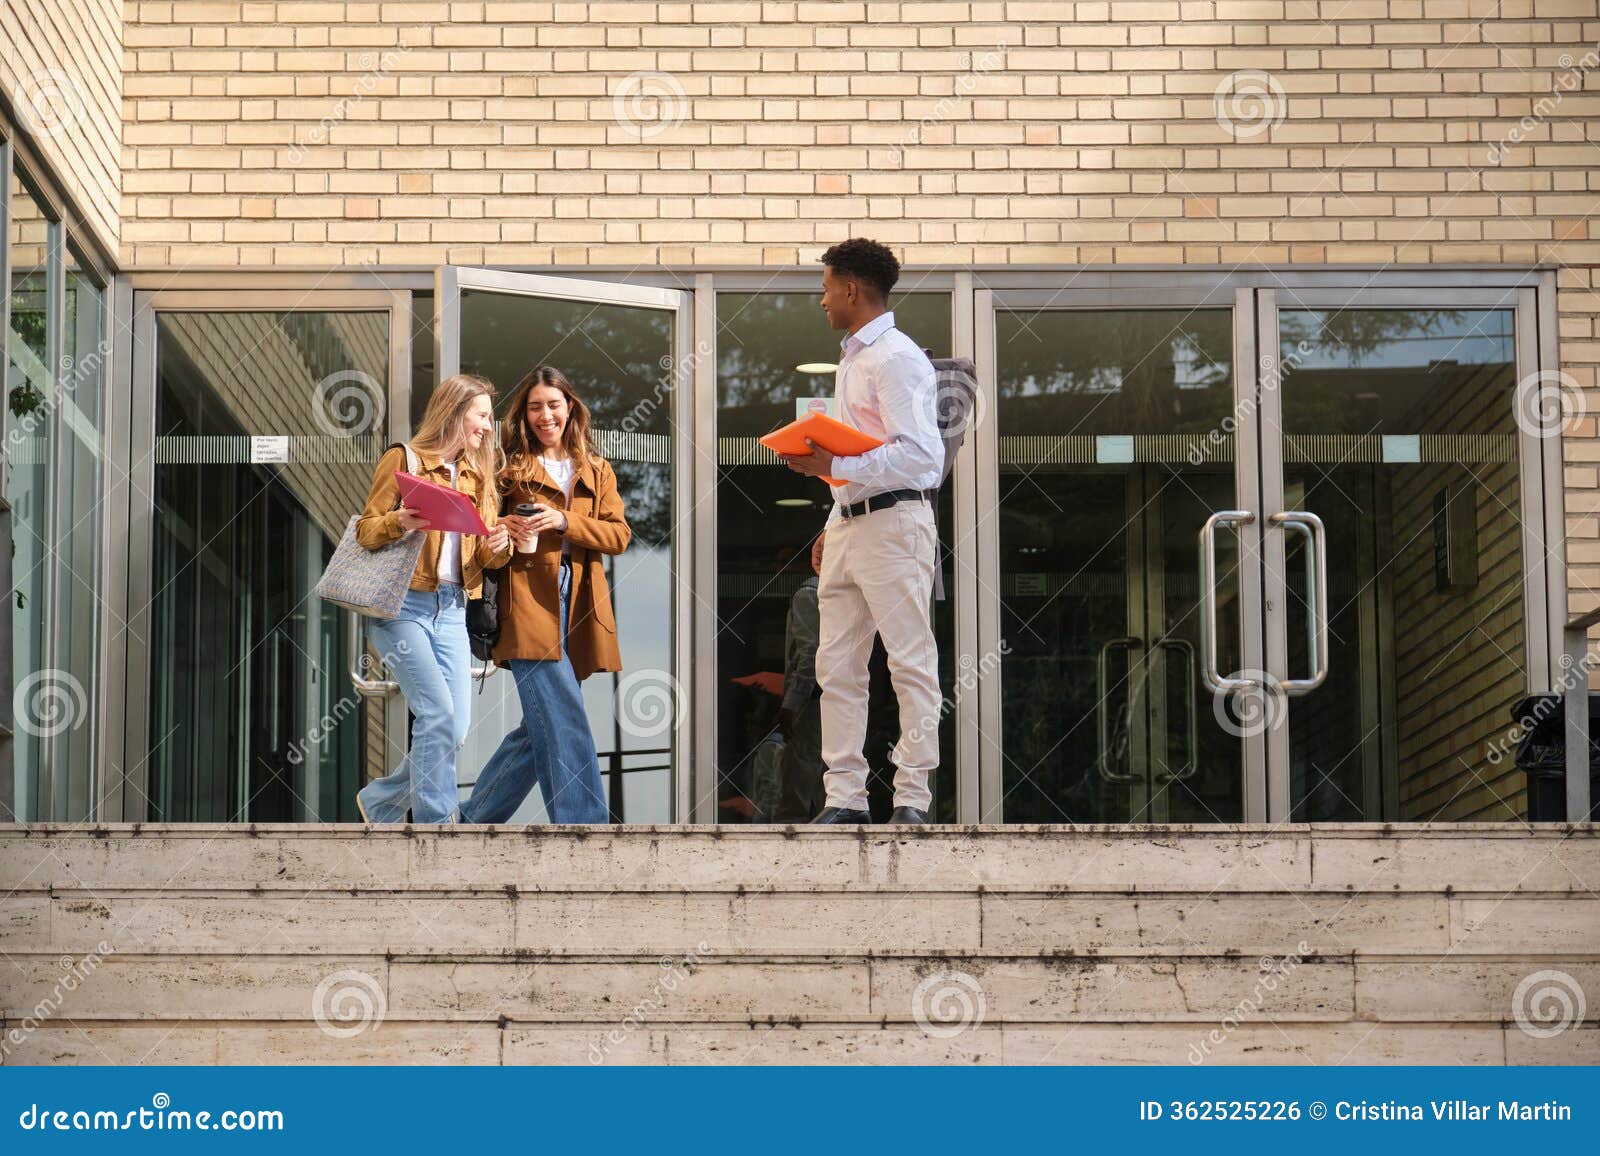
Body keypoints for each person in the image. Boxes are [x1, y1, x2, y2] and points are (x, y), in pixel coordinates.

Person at [780, 237, 943, 825]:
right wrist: (833, 517)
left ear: (850, 289)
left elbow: (923, 457)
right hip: (852, 525)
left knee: (908, 662)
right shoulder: (853, 360)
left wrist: (835, 468)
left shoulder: (895, 357)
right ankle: (846, 798)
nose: (822, 300)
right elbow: (859, 452)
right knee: (837, 666)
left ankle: (912, 800)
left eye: (826, 288)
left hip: (897, 524)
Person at [460, 365, 630, 824]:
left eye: (553, 404)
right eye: (534, 407)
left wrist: (562, 521)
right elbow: (477, 526)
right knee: (563, 713)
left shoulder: (597, 469)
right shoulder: (507, 466)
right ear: (524, 414)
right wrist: (502, 525)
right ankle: (584, 823)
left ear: (569, 407)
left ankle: (472, 816)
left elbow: (619, 536)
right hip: (526, 597)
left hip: (578, 598)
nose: (544, 415)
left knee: (539, 728)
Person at [354, 373, 512, 824]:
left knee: (454, 728)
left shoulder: (480, 477)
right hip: (403, 608)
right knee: (437, 714)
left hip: (453, 608)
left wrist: (497, 548)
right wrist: (400, 521)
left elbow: (482, 555)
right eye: (481, 415)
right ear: (455, 411)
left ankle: (383, 800)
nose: (487, 426)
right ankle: (437, 825)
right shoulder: (404, 459)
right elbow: (366, 530)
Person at [775, 534, 825, 821]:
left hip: (812, 703)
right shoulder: (835, 592)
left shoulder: (807, 594)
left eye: (784, 561)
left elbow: (810, 655)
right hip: (830, 701)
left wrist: (791, 706)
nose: (778, 569)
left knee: (799, 779)